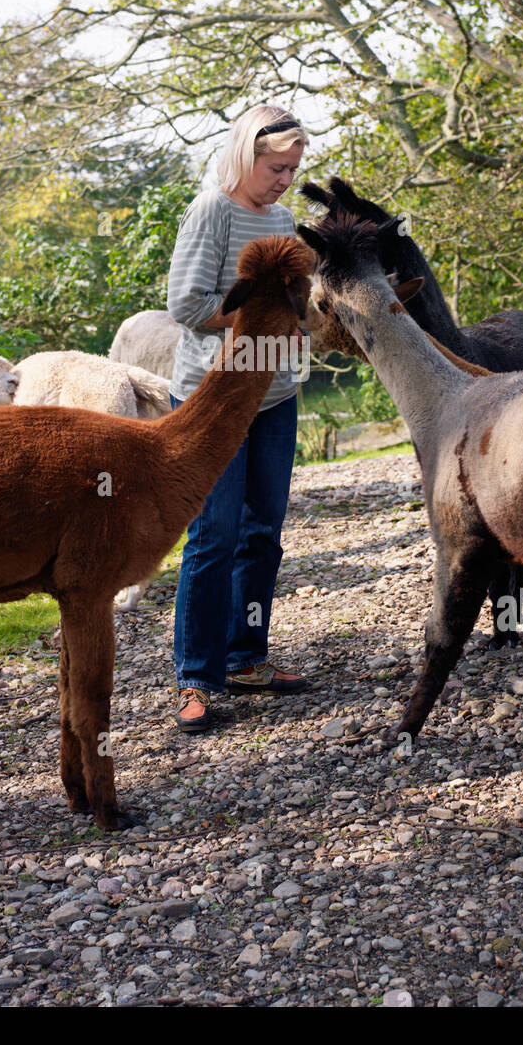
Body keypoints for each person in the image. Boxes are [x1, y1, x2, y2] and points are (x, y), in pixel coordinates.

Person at [166, 104, 312, 732]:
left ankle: (246, 658)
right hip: (214, 398)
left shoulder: (281, 217)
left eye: (294, 169)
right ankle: (196, 677)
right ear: (246, 154)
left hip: (274, 394)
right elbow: (187, 305)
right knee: (213, 536)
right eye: (278, 167)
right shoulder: (212, 211)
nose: (285, 180)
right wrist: (258, 317)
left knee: (262, 532)